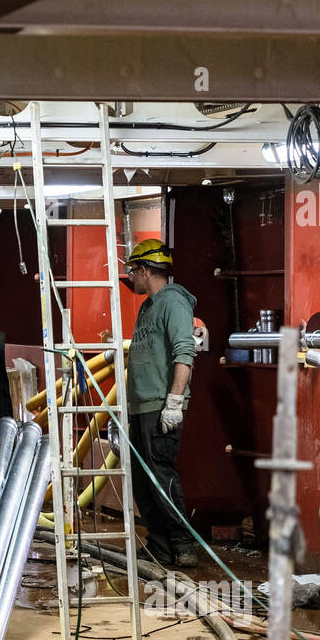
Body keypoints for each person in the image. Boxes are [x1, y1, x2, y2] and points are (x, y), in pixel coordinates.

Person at [123, 238, 198, 568]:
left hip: (159, 407)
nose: (131, 279)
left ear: (143, 270)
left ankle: (184, 545)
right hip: (141, 407)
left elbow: (185, 353)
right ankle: (160, 545)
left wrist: (174, 402)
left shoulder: (173, 303)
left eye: (132, 271)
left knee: (161, 476)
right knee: (142, 479)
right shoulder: (148, 306)